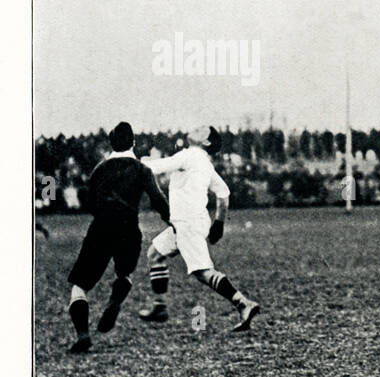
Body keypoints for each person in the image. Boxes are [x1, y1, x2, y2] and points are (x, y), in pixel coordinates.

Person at [138, 126, 261, 331]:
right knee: (155, 253)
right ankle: (159, 307)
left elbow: (155, 167)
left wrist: (128, 162)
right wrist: (218, 224)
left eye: (201, 130)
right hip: (189, 222)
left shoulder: (190, 155)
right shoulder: (204, 162)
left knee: (203, 272)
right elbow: (223, 192)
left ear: (206, 142)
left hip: (188, 223)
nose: (195, 129)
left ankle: (244, 303)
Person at [65, 121, 171, 353]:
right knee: (125, 274)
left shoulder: (99, 169)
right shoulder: (142, 169)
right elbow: (158, 199)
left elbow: (89, 201)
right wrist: (172, 221)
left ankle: (83, 335)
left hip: (101, 228)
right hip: (129, 228)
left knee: (79, 286)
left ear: (111, 143)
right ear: (133, 143)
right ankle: (115, 302)